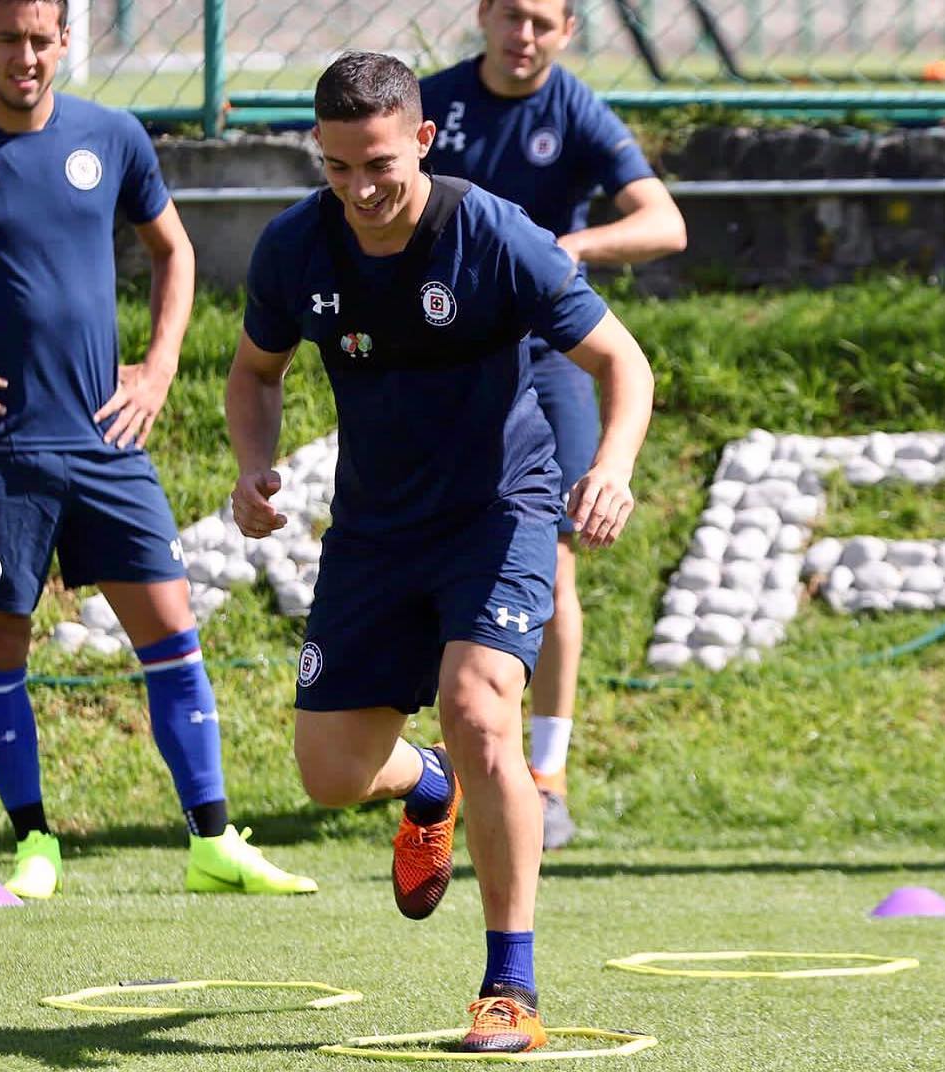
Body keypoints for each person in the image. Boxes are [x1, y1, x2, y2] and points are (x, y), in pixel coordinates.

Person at [227, 51, 653, 1053]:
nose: (360, 188)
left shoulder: (492, 233)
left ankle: (509, 985)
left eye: (377, 162)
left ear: (421, 139)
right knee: (329, 774)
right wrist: (254, 465)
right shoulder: (297, 248)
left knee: (478, 708)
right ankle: (428, 785)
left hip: (498, 512)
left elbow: (619, 359)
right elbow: (255, 373)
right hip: (375, 530)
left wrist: (617, 466)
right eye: (336, 168)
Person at [0, 0, 316, 900]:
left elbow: (175, 252)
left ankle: (211, 841)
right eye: (7, 38)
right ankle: (33, 842)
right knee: (0, 638)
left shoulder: (114, 136)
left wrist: (159, 369)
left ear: (64, 42)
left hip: (106, 440)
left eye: (42, 39)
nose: (26, 57)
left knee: (170, 627)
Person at [422, 0, 686, 848]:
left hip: (547, 358)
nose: (524, 35)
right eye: (510, 16)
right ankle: (453, 760)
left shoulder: (574, 109)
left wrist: (573, 248)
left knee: (558, 565)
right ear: (482, 17)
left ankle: (547, 774)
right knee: (432, 548)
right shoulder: (431, 102)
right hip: (442, 358)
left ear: (568, 31)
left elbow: (665, 223)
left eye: (542, 21)